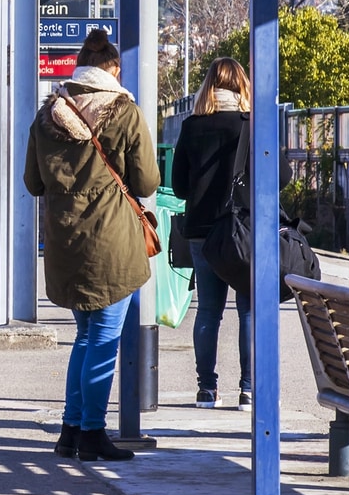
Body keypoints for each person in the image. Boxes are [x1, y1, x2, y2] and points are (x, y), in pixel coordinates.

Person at [24, 29, 161, 461]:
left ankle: (71, 431)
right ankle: (91, 433)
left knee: (84, 338)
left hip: (65, 242)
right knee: (102, 342)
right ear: (113, 69)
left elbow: (33, 183)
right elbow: (146, 182)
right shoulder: (124, 112)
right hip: (111, 244)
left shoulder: (47, 115)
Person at [172, 59, 253, 409]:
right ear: (242, 86)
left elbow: (178, 186)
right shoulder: (250, 126)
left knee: (208, 311)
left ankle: (206, 389)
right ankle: (248, 390)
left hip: (202, 233)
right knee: (248, 311)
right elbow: (282, 177)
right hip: (242, 232)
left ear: (208, 87)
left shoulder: (191, 126)